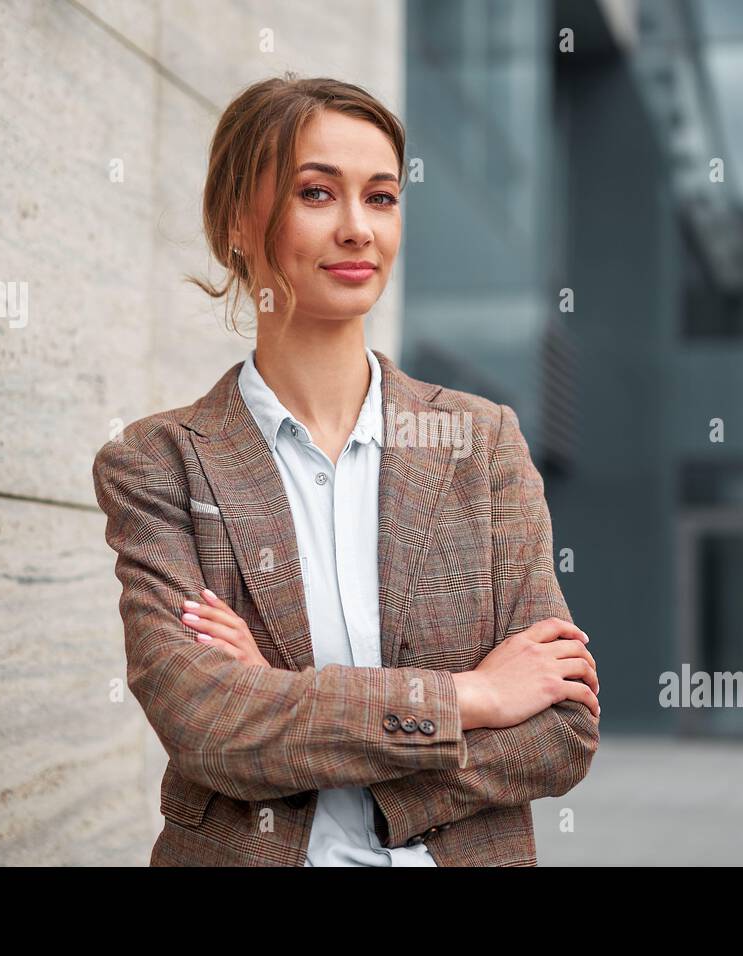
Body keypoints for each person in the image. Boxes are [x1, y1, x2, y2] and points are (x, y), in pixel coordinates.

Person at [91, 74, 599, 867]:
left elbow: (561, 733)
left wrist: (292, 710)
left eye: (383, 197)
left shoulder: (481, 443)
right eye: (318, 194)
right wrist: (474, 698)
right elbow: (209, 729)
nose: (359, 229)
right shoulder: (160, 464)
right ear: (237, 222)